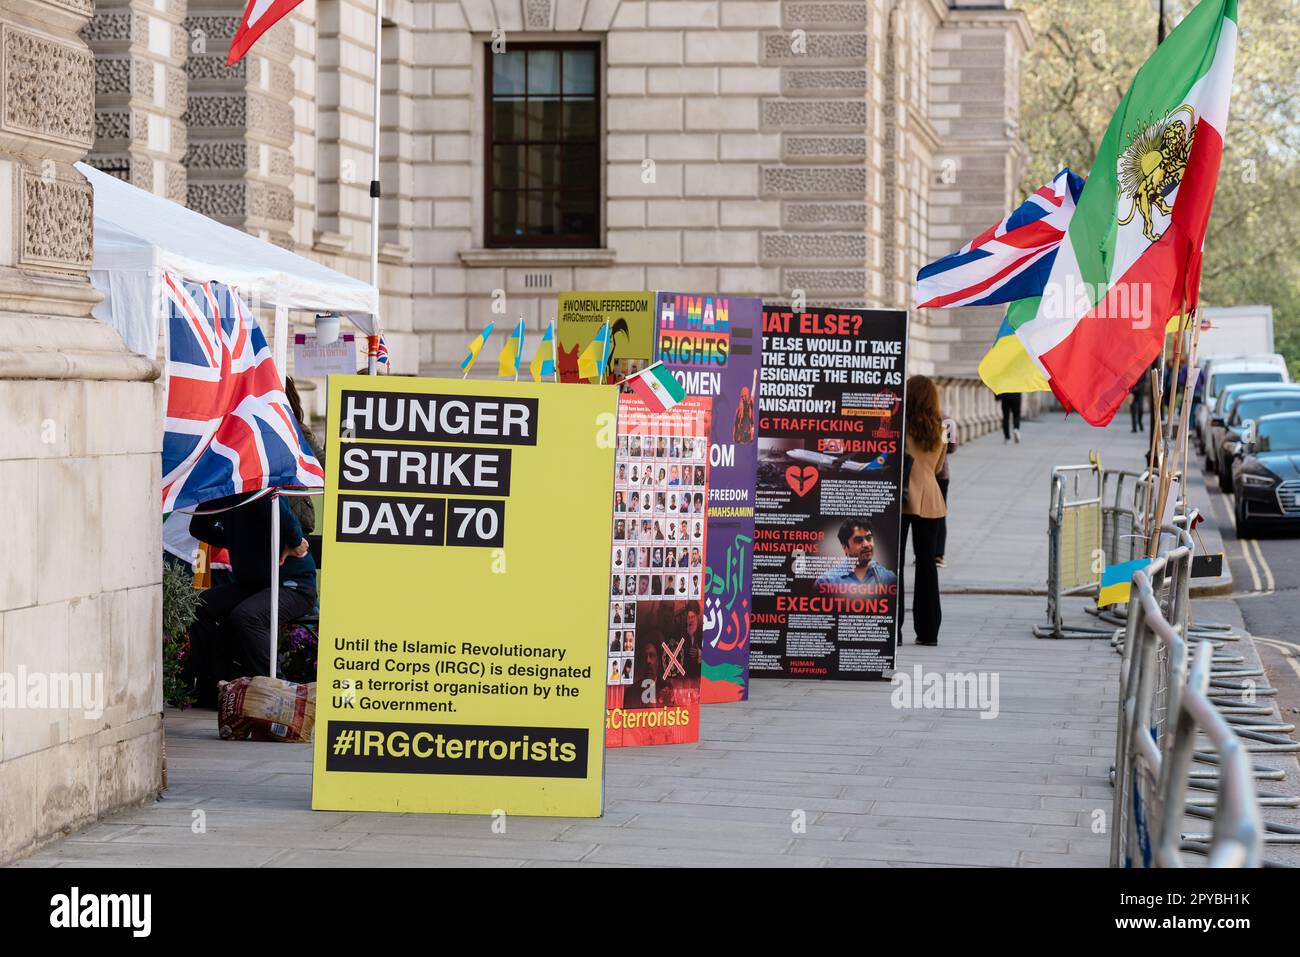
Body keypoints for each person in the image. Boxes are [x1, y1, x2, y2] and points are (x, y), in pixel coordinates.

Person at [187, 492, 317, 706]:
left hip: (292, 586)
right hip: (252, 586)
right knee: (199, 606)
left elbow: (290, 526)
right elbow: (198, 527)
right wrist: (238, 541)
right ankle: (212, 689)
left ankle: (277, 693)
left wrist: (292, 541)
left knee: (247, 616)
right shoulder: (222, 489)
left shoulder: (258, 485)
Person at [900, 375, 947, 645]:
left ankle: (893, 630)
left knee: (895, 564)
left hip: (904, 497)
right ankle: (929, 631)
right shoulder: (940, 427)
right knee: (927, 564)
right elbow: (939, 467)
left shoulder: (901, 425)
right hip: (930, 498)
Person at [816, 518, 898, 588]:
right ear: (845, 547)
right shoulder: (827, 581)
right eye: (858, 540)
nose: (866, 544)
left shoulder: (887, 577)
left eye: (869, 538)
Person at [936, 415, 959, 568]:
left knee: (917, 514)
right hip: (941, 473)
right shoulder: (946, 421)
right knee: (940, 512)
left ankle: (921, 553)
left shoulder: (913, 418)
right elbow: (951, 447)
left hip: (918, 475)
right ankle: (938, 553)